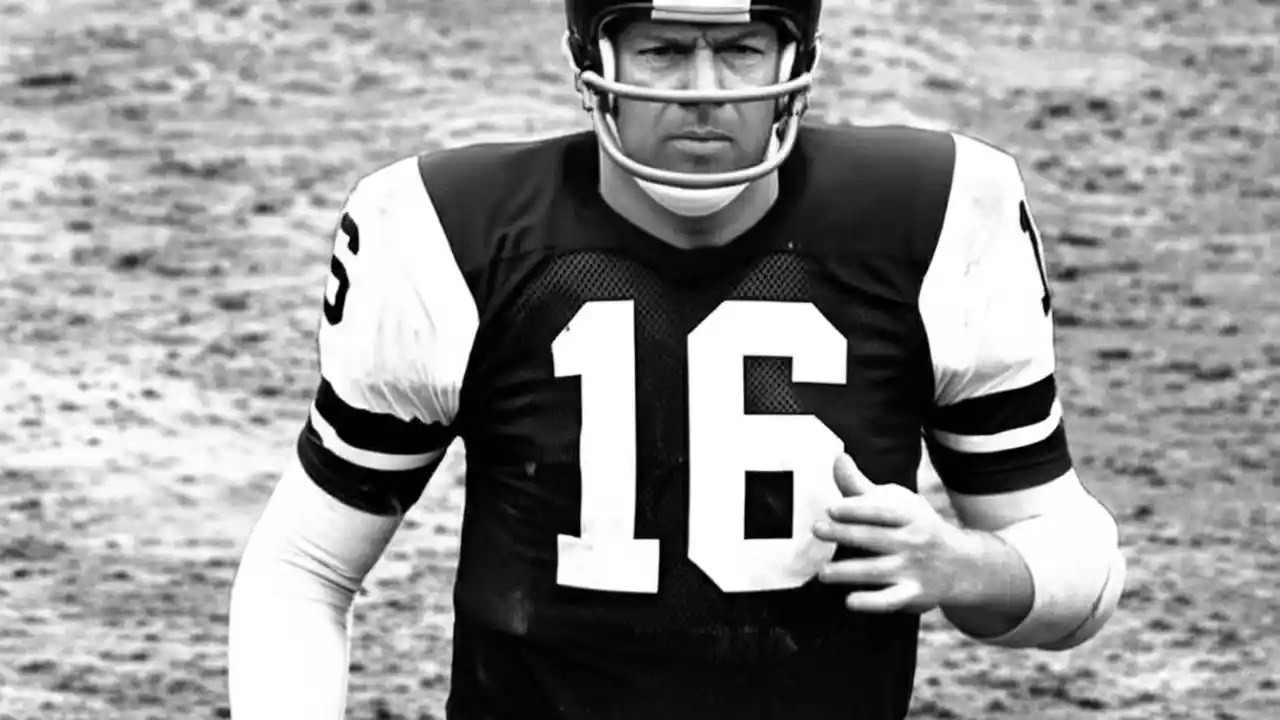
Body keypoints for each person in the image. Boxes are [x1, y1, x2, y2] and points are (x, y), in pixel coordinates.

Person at [227, 1, 1126, 718]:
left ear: (795, 59)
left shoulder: (931, 219)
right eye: (661, 51)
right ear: (593, 59)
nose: (704, 92)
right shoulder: (450, 235)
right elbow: (304, 571)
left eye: (739, 50)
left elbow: (1080, 575)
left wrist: (966, 567)